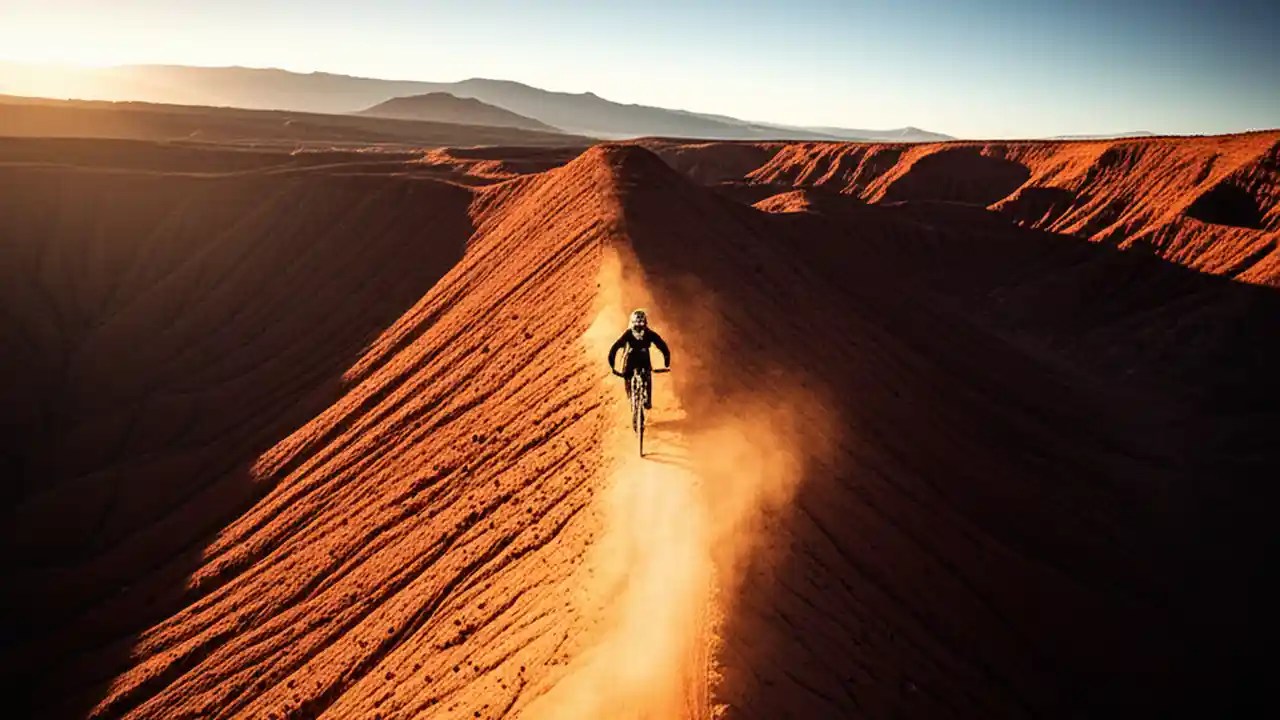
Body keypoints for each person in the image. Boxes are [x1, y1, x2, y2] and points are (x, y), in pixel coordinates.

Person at [607, 309, 671, 409]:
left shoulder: (635, 333)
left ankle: (645, 399)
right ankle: (635, 396)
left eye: (641, 326)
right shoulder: (644, 333)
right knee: (631, 375)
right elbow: (661, 345)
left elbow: (616, 347)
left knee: (644, 375)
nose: (639, 328)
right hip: (638, 357)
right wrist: (666, 358)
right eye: (637, 326)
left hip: (639, 358)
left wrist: (612, 363)